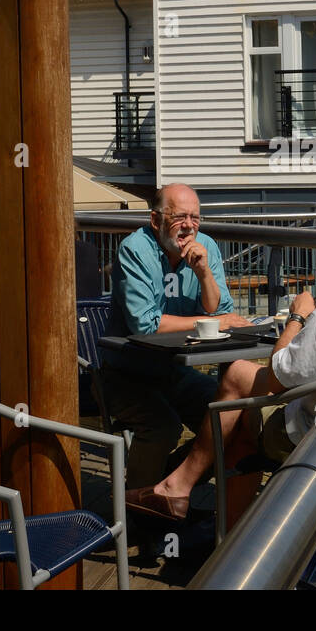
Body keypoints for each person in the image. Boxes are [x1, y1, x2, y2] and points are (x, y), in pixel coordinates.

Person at [125, 178, 316, 523]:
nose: (189, 225)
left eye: (194, 217)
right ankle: (191, 499)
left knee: (239, 400)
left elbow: (277, 375)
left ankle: (203, 514)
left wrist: (298, 316)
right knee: (238, 391)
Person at [102, 184, 251, 486]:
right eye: (180, 216)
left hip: (174, 371)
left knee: (231, 420)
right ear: (156, 221)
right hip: (125, 374)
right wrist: (215, 322)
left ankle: (170, 486)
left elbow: (220, 309)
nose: (188, 226)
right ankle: (138, 513)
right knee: (163, 427)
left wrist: (204, 273)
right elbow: (145, 325)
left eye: (195, 217)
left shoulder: (204, 245)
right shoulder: (135, 249)